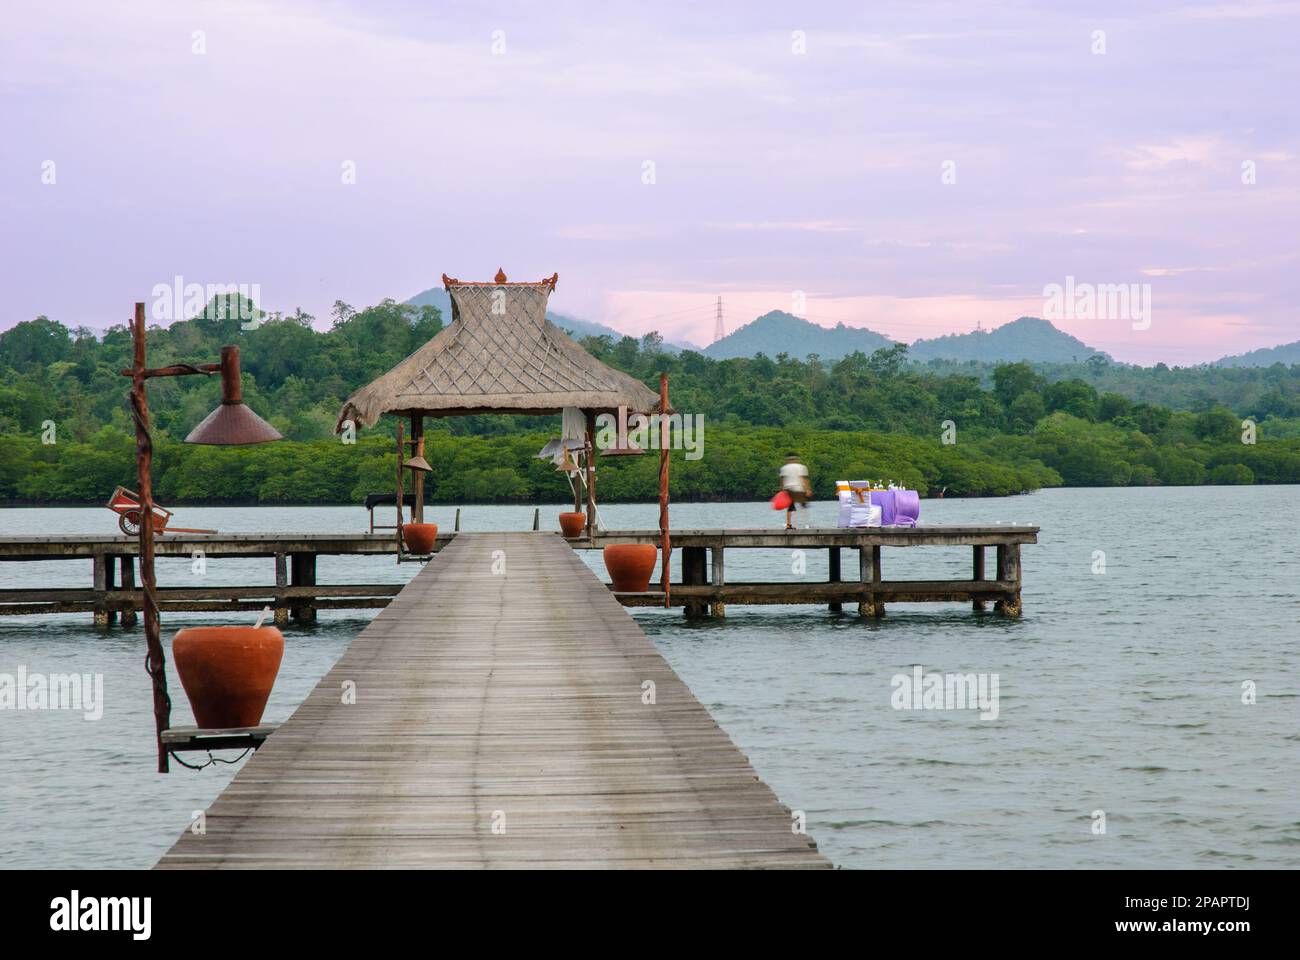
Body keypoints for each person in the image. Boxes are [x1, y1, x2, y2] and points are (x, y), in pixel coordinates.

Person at [778, 454, 810, 530]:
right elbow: (803, 479)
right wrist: (808, 489)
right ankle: (805, 523)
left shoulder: (784, 468)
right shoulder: (801, 467)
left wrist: (782, 490)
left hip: (788, 489)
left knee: (790, 507)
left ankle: (789, 524)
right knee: (803, 505)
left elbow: (782, 480)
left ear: (788, 460)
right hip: (799, 488)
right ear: (796, 460)